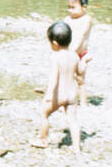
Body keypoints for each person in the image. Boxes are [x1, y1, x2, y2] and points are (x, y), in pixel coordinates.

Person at [32, 20, 88, 152]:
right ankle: (76, 147)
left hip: (59, 95)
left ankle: (42, 139)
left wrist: (49, 95)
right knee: (73, 121)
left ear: (55, 43)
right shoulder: (74, 55)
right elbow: (80, 71)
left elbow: (54, 79)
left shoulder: (56, 57)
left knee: (44, 114)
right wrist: (84, 61)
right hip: (72, 95)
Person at [63, 0, 94, 107]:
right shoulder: (67, 19)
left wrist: (72, 52)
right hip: (69, 52)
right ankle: (66, 101)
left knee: (80, 79)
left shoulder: (86, 20)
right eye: (68, 7)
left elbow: (81, 36)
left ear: (84, 7)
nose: (70, 10)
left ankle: (84, 103)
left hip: (80, 54)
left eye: (73, 7)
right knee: (66, 77)